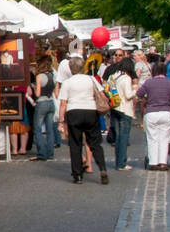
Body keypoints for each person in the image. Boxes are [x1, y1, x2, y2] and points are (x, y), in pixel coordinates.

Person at [55, 57, 109, 185]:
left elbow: (63, 103)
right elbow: (102, 94)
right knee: (95, 143)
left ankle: (77, 174)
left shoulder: (68, 82)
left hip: (73, 112)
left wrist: (61, 121)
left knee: (75, 144)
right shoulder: (90, 79)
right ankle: (102, 169)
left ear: (71, 69)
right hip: (90, 111)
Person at [137, 68, 170, 170]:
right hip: (166, 112)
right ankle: (163, 163)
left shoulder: (148, 82)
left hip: (151, 113)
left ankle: (153, 163)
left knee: (152, 138)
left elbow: (139, 94)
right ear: (165, 72)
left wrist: (147, 97)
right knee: (164, 139)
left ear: (153, 72)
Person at [111, 58, 138, 170]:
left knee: (118, 137)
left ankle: (118, 161)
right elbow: (128, 95)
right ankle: (121, 163)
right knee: (123, 137)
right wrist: (136, 89)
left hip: (114, 108)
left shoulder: (113, 77)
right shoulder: (126, 78)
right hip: (124, 109)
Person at [28, 56, 56, 161]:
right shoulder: (52, 75)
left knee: (38, 129)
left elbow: (38, 94)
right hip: (51, 102)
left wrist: (34, 87)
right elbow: (55, 91)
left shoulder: (39, 76)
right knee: (50, 129)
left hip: (42, 103)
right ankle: (50, 153)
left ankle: (41, 153)